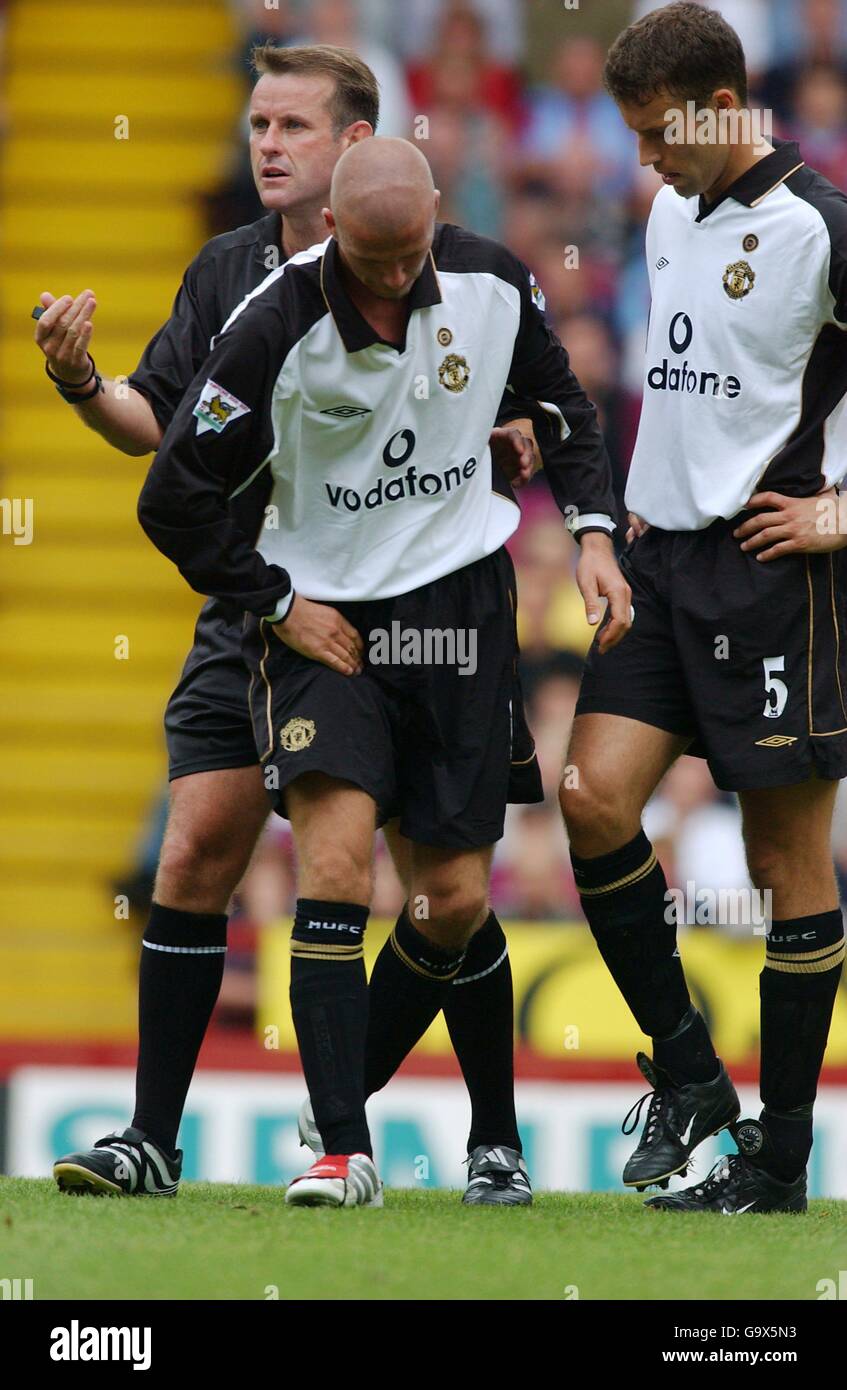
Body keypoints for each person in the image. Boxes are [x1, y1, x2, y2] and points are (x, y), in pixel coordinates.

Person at [43, 45, 542, 1203]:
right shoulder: (227, 273)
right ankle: (152, 1140)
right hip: (259, 598)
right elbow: (158, 429)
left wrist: (520, 437)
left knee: (443, 883)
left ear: (357, 145)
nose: (263, 143)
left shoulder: (427, 262)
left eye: (291, 126)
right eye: (256, 124)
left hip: (411, 597)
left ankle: (465, 1130)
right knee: (198, 838)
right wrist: (80, 383)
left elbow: (504, 389)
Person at [135, 137, 630, 1207]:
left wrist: (591, 533)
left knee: (450, 899)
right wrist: (275, 601)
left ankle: (342, 1088)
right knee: (337, 865)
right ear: (332, 233)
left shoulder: (495, 282)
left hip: (457, 610)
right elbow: (171, 493)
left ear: (436, 218)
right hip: (326, 621)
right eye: (374, 257)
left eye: (411, 255)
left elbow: (562, 411)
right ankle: (340, 1151)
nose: (396, 277)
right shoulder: (270, 322)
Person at [560, 1, 847, 1215]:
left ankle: (779, 1162)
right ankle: (688, 1074)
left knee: (787, 859)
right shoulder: (672, 209)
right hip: (663, 565)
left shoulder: (819, 226)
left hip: (774, 570)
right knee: (588, 799)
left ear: (722, 104)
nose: (644, 160)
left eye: (656, 134)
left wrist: (844, 511)